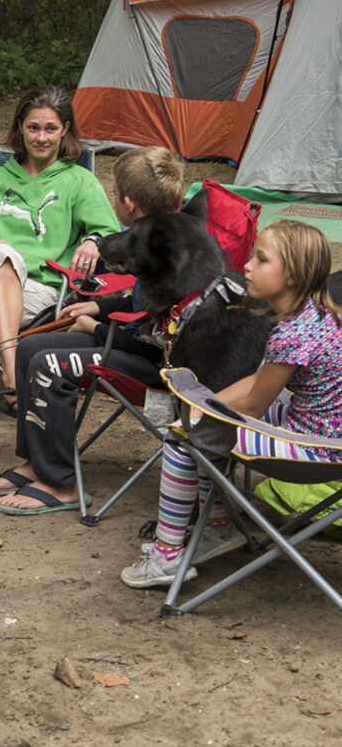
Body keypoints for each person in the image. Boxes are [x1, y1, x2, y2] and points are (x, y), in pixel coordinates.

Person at [122, 220, 342, 588]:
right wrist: (208, 402)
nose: (248, 267)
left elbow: (254, 406)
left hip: (315, 449)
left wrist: (195, 419)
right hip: (325, 428)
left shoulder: (290, 335)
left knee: (181, 439)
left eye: (261, 259)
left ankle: (166, 557)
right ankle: (217, 525)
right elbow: (258, 380)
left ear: (293, 276)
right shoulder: (319, 315)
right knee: (205, 422)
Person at [0, 146, 185, 513]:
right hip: (131, 343)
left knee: (49, 366)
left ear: (128, 202)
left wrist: (95, 327)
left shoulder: (166, 254)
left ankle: (60, 485)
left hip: (157, 365)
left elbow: (156, 339)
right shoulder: (152, 237)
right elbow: (141, 308)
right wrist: (100, 306)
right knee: (30, 348)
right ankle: (35, 463)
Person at [0, 86, 120, 445]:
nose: (41, 137)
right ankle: (11, 368)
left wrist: (92, 240)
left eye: (50, 129)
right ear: (20, 129)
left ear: (65, 130)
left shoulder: (79, 181)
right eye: (33, 127)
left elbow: (111, 235)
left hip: (43, 290)